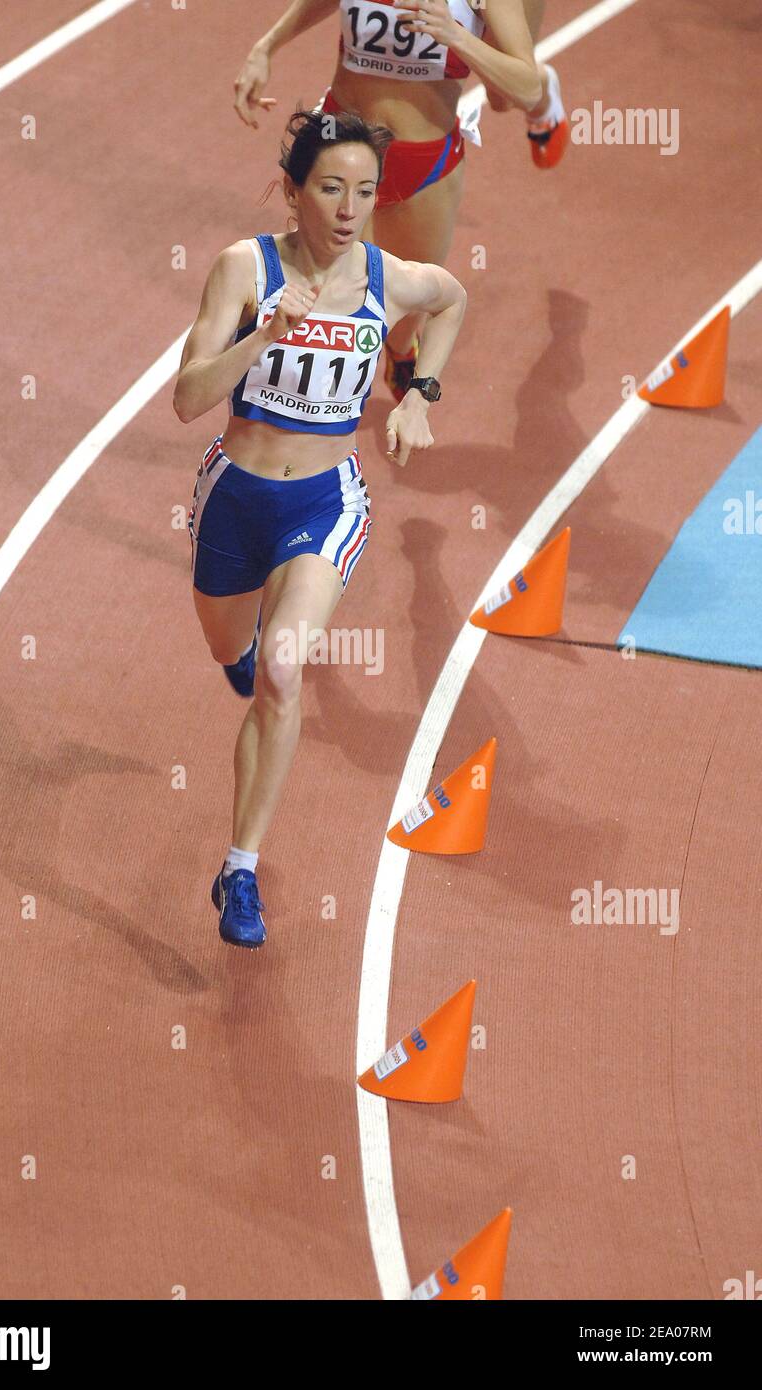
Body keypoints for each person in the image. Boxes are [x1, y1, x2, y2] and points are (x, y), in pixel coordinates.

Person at [172, 109, 466, 948]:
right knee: (230, 647)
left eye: (365, 193)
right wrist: (265, 331)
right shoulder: (244, 268)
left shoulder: (389, 277)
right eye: (331, 188)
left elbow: (453, 300)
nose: (348, 209)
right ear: (293, 189)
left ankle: (239, 870)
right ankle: (236, 656)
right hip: (234, 496)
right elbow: (189, 399)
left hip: (325, 503)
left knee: (282, 666)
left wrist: (420, 393)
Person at [234, 1, 568, 401]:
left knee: (503, 97)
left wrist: (455, 33)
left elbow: (523, 87)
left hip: (424, 160)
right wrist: (266, 47)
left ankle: (399, 346)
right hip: (345, 148)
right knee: (329, 292)